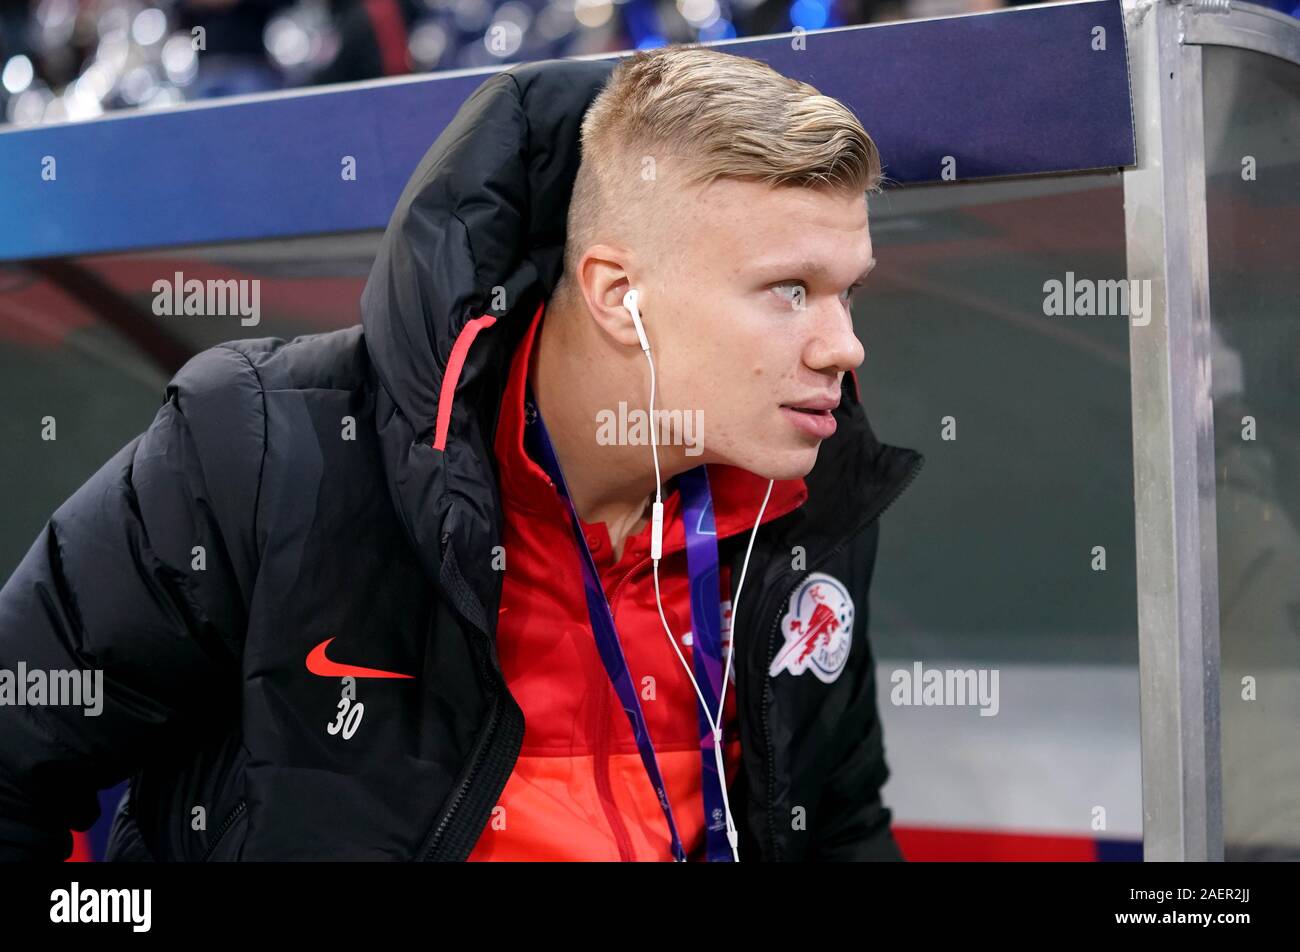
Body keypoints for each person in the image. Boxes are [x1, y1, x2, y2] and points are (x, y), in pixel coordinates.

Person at [0, 44, 922, 862]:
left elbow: (836, 823)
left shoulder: (804, 503)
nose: (845, 346)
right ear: (616, 294)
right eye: (790, 290)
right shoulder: (258, 450)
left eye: (847, 292)